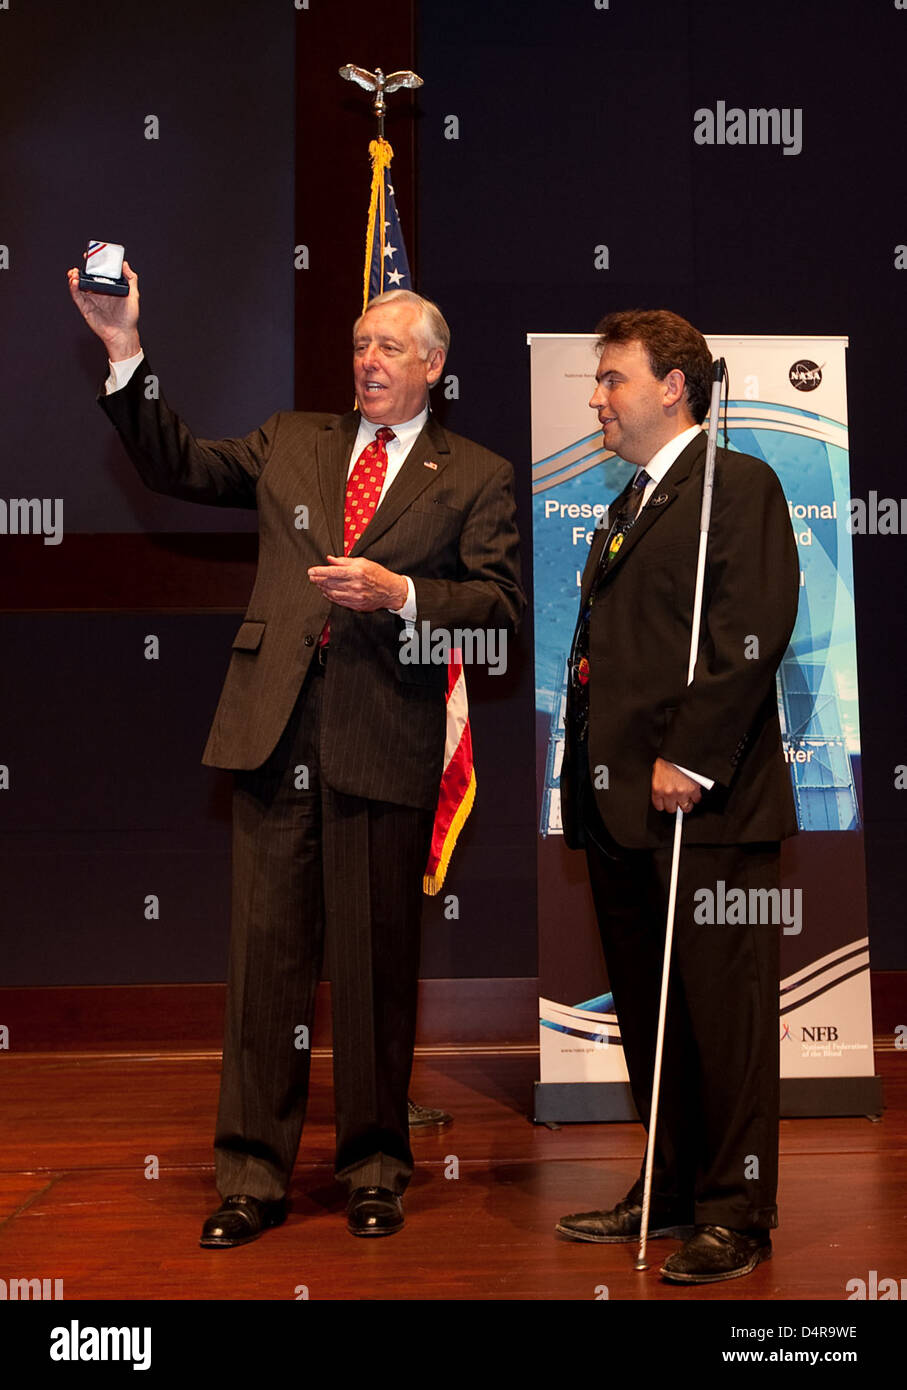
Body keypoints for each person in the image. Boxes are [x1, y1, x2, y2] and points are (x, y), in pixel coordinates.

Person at [67, 264, 525, 1245]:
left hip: (384, 737)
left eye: (389, 347)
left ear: (433, 366)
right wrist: (122, 350)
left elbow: (500, 609)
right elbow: (174, 462)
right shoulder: (291, 439)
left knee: (372, 968)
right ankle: (250, 1177)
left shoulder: (477, 474)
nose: (366, 361)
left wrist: (400, 590)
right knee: (264, 966)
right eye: (360, 345)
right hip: (275, 735)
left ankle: (371, 1166)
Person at [556, 309, 799, 1284]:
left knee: (723, 1019)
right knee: (656, 1019)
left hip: (707, 811)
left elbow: (754, 628)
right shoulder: (625, 506)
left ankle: (736, 1212)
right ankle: (669, 1186)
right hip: (620, 815)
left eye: (613, 378)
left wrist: (690, 757)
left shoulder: (738, 485)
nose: (596, 397)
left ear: (673, 386)